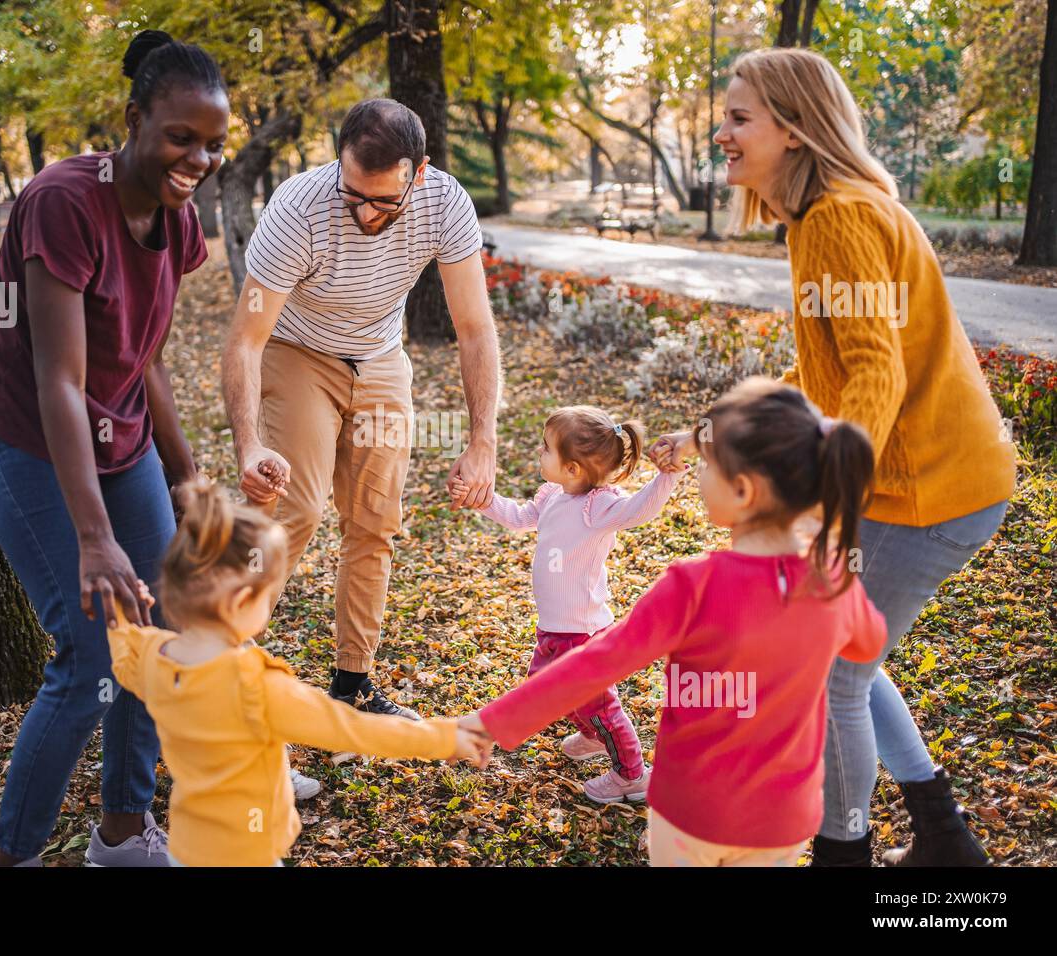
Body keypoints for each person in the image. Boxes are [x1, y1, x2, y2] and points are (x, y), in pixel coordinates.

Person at [648, 47, 1016, 866]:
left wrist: (831, 516)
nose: (722, 134)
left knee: (829, 678)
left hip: (921, 496)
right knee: (854, 656)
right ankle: (943, 835)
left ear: (794, 126)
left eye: (739, 118)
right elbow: (829, 372)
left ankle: (842, 852)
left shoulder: (837, 218)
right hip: (948, 485)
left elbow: (875, 377)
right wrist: (714, 434)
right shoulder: (831, 214)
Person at [0, 30, 229, 867]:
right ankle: (15, 857)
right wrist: (92, 535)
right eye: (181, 136)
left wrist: (185, 475)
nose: (198, 157)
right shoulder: (63, 202)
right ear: (134, 120)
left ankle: (121, 832)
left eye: (213, 143)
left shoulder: (180, 222)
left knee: (158, 630)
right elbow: (58, 383)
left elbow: (142, 354)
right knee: (89, 661)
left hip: (122, 442)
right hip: (28, 442)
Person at [464, 379, 887, 866]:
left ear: (743, 491)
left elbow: (595, 665)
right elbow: (867, 645)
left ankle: (621, 767)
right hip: (783, 820)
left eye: (706, 467)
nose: (695, 474)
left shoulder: (694, 586)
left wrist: (491, 723)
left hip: (692, 814)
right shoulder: (833, 580)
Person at [220, 98, 502, 795]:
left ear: (420, 174)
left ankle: (352, 686)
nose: (367, 214)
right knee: (295, 510)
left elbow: (474, 327)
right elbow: (247, 338)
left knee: (374, 523)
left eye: (384, 201)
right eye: (354, 195)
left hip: (378, 358)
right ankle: (221, 682)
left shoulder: (445, 203)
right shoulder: (298, 210)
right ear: (335, 162)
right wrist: (250, 442)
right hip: (296, 352)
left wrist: (482, 443)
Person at [106, 477, 491, 867]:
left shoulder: (155, 657)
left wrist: (119, 612)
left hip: (187, 849)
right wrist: (446, 738)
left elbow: (124, 651)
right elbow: (353, 729)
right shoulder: (256, 686)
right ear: (242, 601)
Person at [448, 406, 683, 802]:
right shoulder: (554, 497)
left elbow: (639, 509)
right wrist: (481, 501)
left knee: (600, 704)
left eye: (545, 448)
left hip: (583, 634)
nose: (538, 452)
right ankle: (592, 736)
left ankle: (632, 775)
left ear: (573, 468)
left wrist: (667, 476)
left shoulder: (598, 508)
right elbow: (519, 516)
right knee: (547, 687)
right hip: (554, 630)